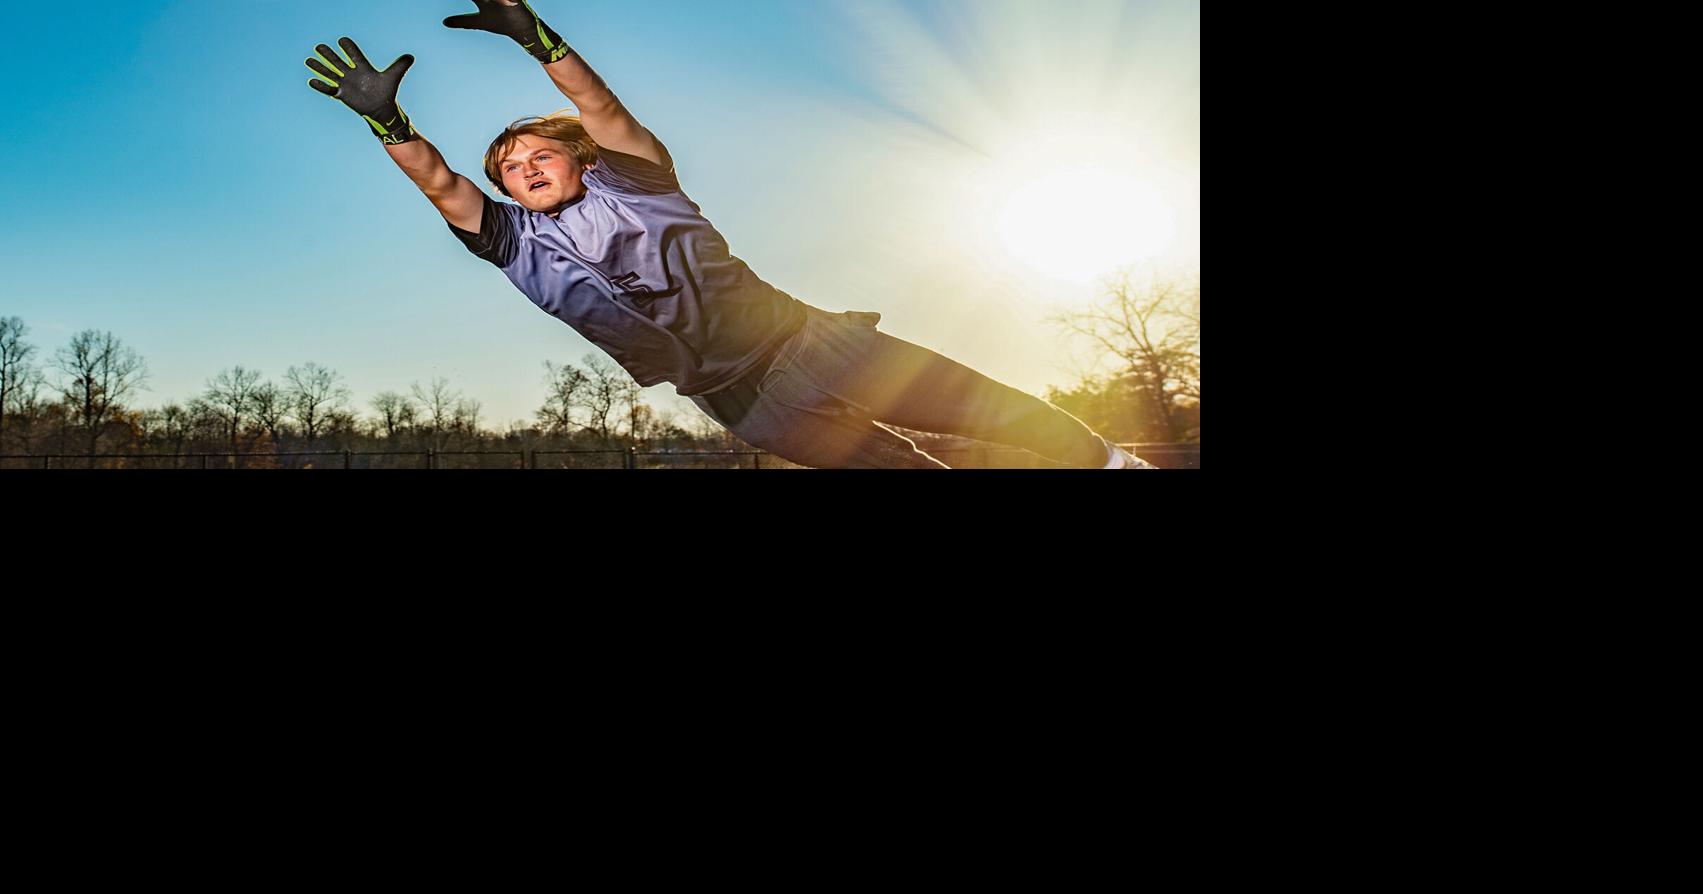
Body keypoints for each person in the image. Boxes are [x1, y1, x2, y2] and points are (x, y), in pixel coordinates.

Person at [305, 0, 1157, 469]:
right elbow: (439, 181)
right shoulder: (513, 243)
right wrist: (387, 122)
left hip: (814, 345)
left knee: (988, 413)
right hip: (745, 404)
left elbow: (599, 105)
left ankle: (1116, 467)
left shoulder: (635, 177)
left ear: (574, 156)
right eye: (508, 167)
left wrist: (539, 39)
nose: (522, 167)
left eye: (537, 152)